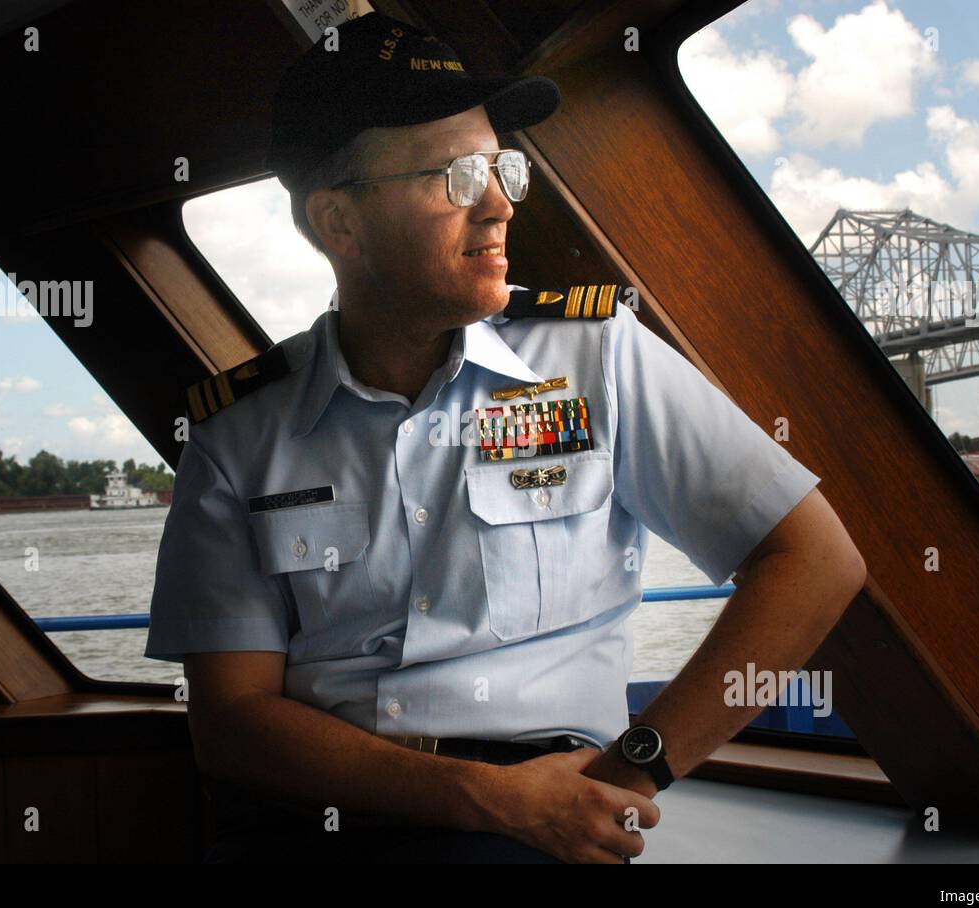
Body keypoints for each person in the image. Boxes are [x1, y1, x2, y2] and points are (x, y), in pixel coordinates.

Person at [144, 12, 867, 864]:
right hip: (327, 815)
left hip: (545, 817)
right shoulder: (241, 435)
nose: (497, 204)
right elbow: (231, 725)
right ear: (340, 223)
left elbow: (815, 560)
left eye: (501, 168)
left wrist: (629, 775)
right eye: (455, 176)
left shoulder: (595, 356)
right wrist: (486, 800)